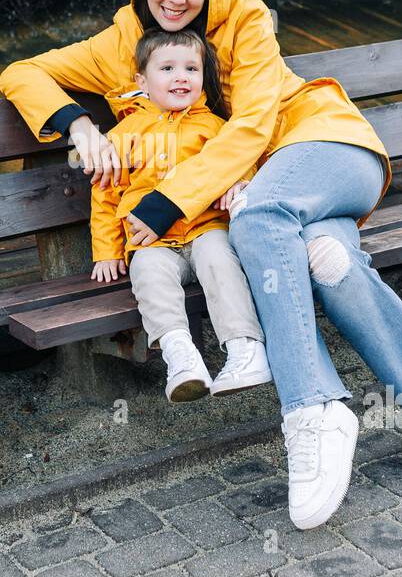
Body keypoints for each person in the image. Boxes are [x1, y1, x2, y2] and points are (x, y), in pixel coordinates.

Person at [0, 0, 402, 531]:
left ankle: (313, 410)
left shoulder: (246, 20)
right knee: (331, 265)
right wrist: (80, 125)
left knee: (257, 218)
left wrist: (165, 205)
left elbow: (251, 127)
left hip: (324, 149)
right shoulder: (116, 46)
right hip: (261, 195)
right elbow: (20, 72)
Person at [89, 26, 270, 403]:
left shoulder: (214, 126)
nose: (181, 77)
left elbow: (240, 160)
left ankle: (244, 350)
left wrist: (240, 181)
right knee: (148, 276)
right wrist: (106, 251)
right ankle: (181, 357)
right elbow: (106, 195)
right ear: (142, 79)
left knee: (223, 264)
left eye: (191, 68)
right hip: (151, 242)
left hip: (206, 230)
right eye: (167, 69)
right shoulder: (124, 134)